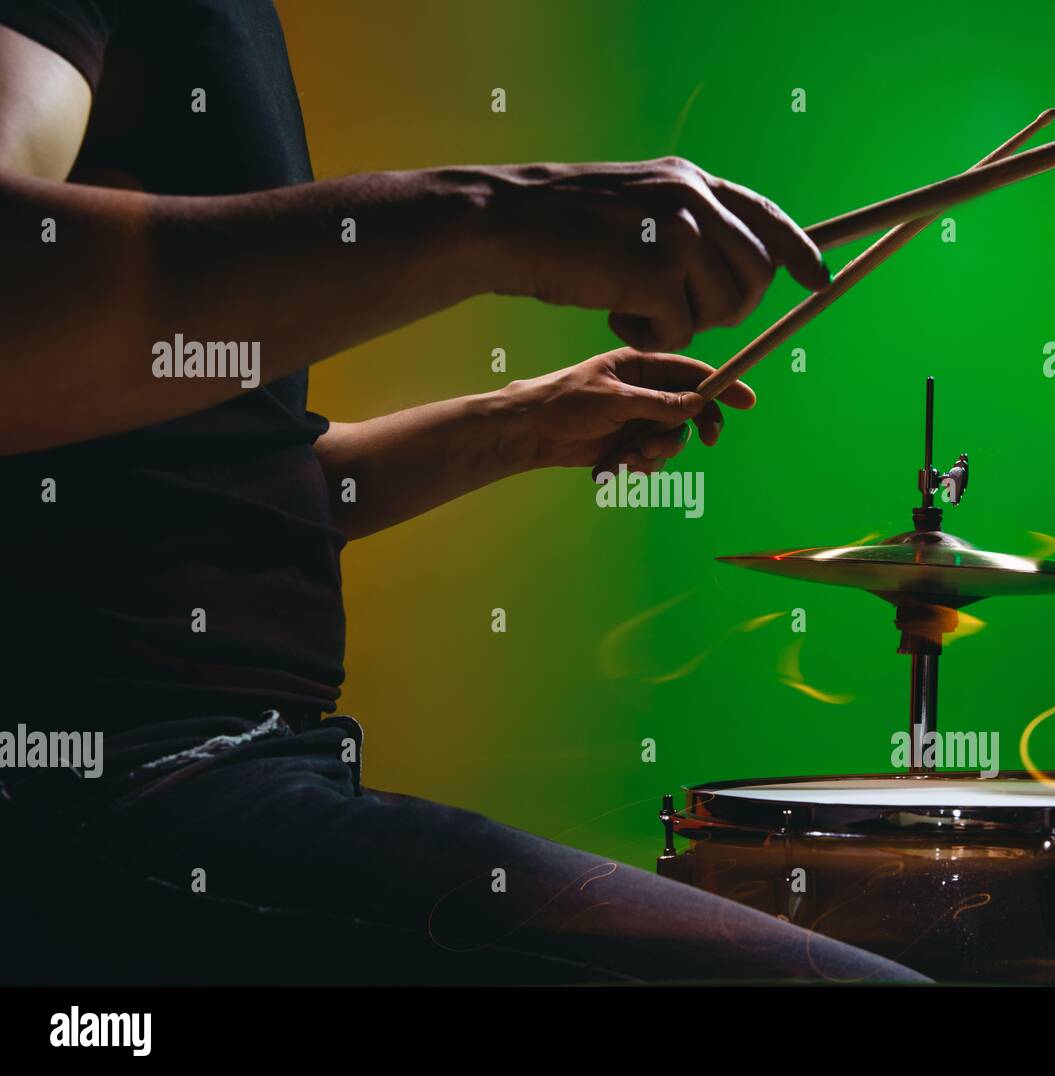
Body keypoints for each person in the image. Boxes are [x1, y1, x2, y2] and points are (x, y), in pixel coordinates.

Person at [0, 0, 926, 985]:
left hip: (240, 764)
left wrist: (521, 422)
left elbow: (197, 491)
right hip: (110, 786)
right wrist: (495, 211)